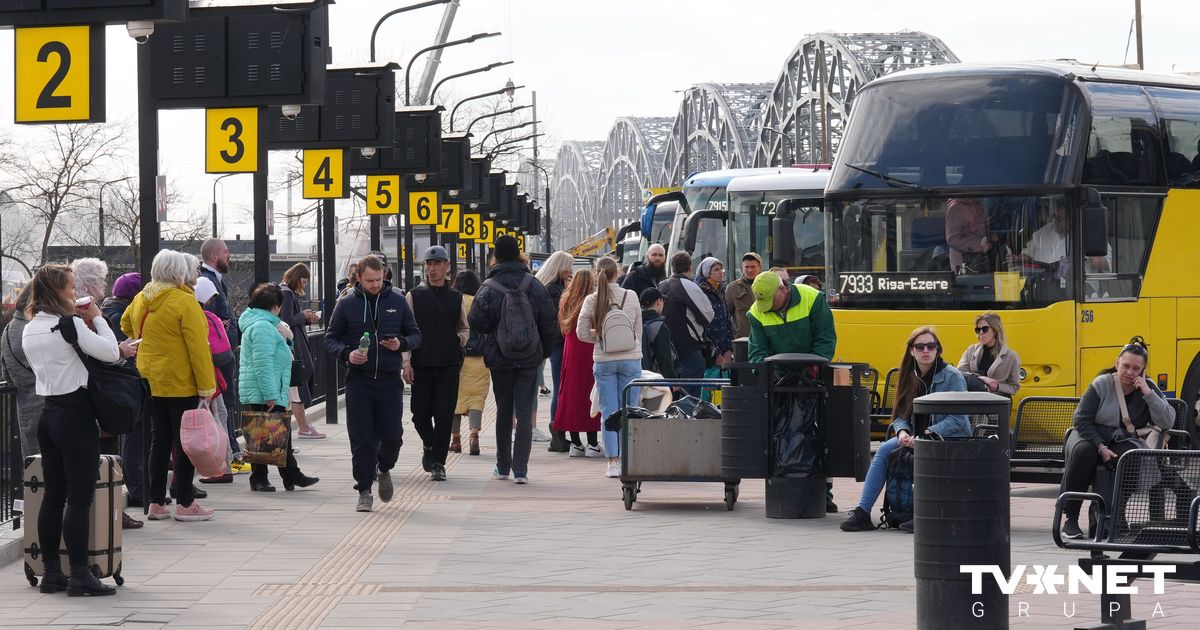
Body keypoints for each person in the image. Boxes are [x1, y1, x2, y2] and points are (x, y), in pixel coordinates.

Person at [22, 264, 122, 596]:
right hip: (75, 415)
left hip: (48, 415)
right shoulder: (70, 324)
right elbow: (109, 352)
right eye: (70, 286)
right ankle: (80, 573)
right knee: (79, 499)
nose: (75, 291)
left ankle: (52, 572)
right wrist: (97, 316)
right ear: (57, 291)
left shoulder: (31, 327)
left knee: (52, 496)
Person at [841, 327, 970, 532]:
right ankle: (863, 512)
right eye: (920, 346)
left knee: (926, 451)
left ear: (938, 349)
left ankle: (924, 515)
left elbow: (959, 420)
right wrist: (902, 433)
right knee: (884, 450)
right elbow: (901, 415)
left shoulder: (952, 376)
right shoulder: (908, 375)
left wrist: (925, 434)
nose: (926, 350)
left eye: (931, 346)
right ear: (911, 351)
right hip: (917, 436)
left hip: (950, 438)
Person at [122, 250, 217, 522]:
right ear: (179, 272)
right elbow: (198, 348)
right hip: (181, 380)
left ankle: (156, 502)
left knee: (159, 439)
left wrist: (149, 340)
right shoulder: (184, 302)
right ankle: (185, 502)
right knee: (185, 442)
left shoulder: (143, 297)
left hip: (151, 378)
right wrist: (206, 386)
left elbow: (126, 322)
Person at [325, 255, 421, 512]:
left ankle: (384, 466)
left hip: (390, 380)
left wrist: (401, 344)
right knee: (361, 437)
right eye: (370, 280)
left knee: (393, 437)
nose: (376, 284)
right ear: (359, 278)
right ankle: (364, 489)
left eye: (379, 280)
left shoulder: (398, 301)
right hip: (359, 381)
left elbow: (415, 335)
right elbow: (330, 338)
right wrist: (347, 353)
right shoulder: (346, 304)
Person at [1058, 339, 1174, 539]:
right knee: (1083, 453)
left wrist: (1148, 393)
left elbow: (1167, 420)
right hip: (1089, 434)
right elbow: (1081, 420)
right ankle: (1071, 520)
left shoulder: (1148, 388)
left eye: (1136, 368)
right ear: (1117, 363)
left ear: (1143, 371)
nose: (1130, 372)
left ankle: (1114, 517)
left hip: (1121, 439)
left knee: (1130, 457)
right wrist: (1101, 447)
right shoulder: (1102, 383)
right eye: (1126, 366)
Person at [468, 235, 560, 483]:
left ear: (495, 256)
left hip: (500, 358)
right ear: (520, 254)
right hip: (530, 358)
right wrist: (543, 352)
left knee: (504, 411)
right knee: (524, 410)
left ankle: (503, 467)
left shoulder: (488, 287)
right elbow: (550, 322)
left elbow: (476, 321)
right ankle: (521, 470)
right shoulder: (534, 285)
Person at [747, 270, 838, 511]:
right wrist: (769, 374)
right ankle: (782, 482)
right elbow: (757, 351)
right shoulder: (757, 311)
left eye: (771, 302)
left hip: (813, 380)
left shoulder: (813, 299)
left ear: (783, 289)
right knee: (781, 433)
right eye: (762, 303)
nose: (767, 309)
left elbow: (825, 339)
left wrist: (812, 369)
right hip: (780, 383)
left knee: (819, 434)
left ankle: (823, 492)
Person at [239, 283, 319, 493]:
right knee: (265, 434)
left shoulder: (260, 323)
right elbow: (263, 363)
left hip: (265, 388)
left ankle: (284, 475)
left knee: (272, 434)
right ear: (274, 306)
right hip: (264, 390)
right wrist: (270, 395)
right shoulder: (263, 327)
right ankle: (266, 477)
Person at [403, 246, 468, 482]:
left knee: (444, 414)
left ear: (446, 266)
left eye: (437, 263)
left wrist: (458, 339)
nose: (432, 268)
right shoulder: (414, 296)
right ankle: (429, 445)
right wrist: (406, 362)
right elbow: (407, 330)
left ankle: (439, 462)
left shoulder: (455, 297)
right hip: (421, 363)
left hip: (449, 363)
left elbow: (464, 327)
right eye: (428, 264)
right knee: (419, 415)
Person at [578, 256, 642, 479]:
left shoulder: (592, 300)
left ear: (598, 274)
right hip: (630, 359)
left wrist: (600, 337)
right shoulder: (631, 296)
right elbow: (638, 330)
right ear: (618, 273)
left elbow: (581, 333)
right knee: (630, 409)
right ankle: (629, 457)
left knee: (608, 410)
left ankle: (612, 462)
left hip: (604, 359)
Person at [198, 238, 246, 472]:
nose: (229, 256)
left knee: (225, 404)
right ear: (214, 256)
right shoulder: (207, 282)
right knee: (225, 403)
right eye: (226, 252)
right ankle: (231, 455)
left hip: (222, 353)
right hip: (219, 356)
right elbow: (209, 319)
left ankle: (231, 452)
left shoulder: (214, 281)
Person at [192, 278, 238, 485]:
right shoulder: (211, 316)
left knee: (213, 421)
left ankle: (221, 468)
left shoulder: (196, 317)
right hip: (215, 375)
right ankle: (222, 466)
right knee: (220, 418)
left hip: (204, 378)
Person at [554, 265, 601, 458]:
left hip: (570, 349)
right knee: (590, 393)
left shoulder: (565, 300)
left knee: (571, 394)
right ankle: (592, 444)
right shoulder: (592, 300)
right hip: (588, 348)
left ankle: (575, 444)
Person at [280, 264, 325, 439]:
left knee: (296, 388)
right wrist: (304, 315)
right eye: (304, 281)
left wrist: (306, 319)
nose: (304, 286)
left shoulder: (286, 292)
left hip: (295, 342)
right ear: (297, 278)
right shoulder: (287, 294)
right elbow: (287, 320)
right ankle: (303, 428)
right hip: (294, 345)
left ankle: (299, 429)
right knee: (298, 387)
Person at [535, 251, 574, 451]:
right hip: (559, 344)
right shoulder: (553, 289)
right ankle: (556, 432)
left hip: (555, 343)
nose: (571, 271)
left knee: (560, 387)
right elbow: (557, 319)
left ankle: (558, 432)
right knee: (559, 388)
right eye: (568, 266)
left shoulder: (552, 286)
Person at [657, 252, 714, 386]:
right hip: (688, 349)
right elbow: (708, 316)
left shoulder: (661, 286)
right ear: (690, 267)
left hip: (664, 349)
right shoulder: (690, 286)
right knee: (690, 401)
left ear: (671, 267)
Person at [2, 285, 44, 459]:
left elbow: (6, 374)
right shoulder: (34, 330)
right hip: (51, 406)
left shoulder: (8, 330)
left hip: (26, 410)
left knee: (34, 472)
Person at [452, 270, 489, 456]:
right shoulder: (480, 302)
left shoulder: (455, 301)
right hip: (480, 359)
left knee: (455, 399)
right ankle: (474, 436)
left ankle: (456, 440)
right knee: (476, 398)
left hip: (458, 358)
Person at [957, 312, 1021, 396]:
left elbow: (1014, 387)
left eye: (985, 329)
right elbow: (960, 373)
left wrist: (997, 386)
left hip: (997, 401)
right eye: (978, 330)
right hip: (973, 400)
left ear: (995, 330)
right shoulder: (971, 350)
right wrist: (981, 378)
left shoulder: (1011, 356)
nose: (981, 333)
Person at [695, 257, 734, 366]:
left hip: (724, 351)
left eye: (721, 269)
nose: (721, 272)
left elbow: (727, 320)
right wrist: (714, 353)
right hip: (709, 353)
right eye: (716, 270)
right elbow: (703, 325)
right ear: (707, 272)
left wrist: (729, 349)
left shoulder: (721, 289)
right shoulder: (699, 291)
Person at [945, 197, 999, 274]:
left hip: (982, 260)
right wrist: (980, 243)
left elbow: (977, 230)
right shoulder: (955, 208)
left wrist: (989, 236)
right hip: (965, 265)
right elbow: (953, 239)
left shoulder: (978, 203)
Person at [640, 288, 677, 380]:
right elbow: (664, 357)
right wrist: (672, 378)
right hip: (657, 378)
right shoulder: (659, 326)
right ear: (658, 301)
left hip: (639, 376)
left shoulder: (637, 321)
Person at [725, 252, 762, 339]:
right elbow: (726, 316)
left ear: (760, 268)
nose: (749, 270)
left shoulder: (769, 285)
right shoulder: (732, 288)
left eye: (753, 267)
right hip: (742, 340)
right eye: (746, 267)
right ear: (742, 268)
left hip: (765, 337)